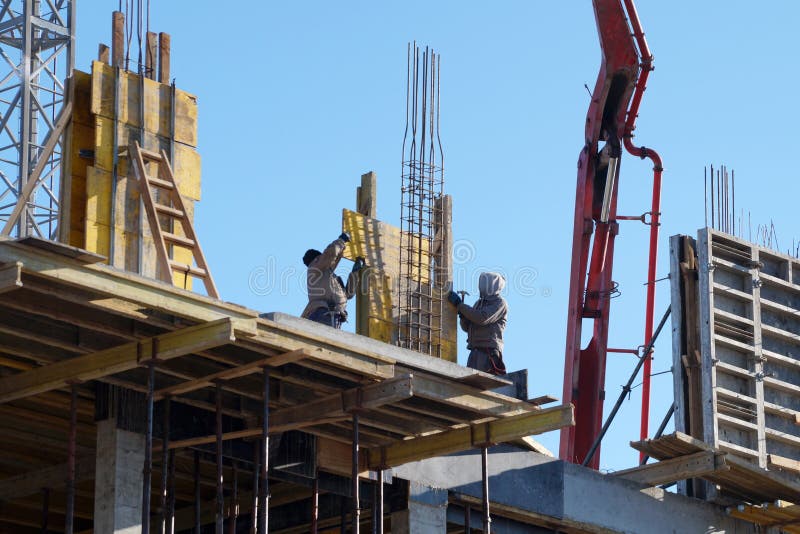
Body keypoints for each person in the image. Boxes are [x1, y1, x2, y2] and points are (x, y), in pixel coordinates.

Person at [447, 272, 508, 375]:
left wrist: (460, 306)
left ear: (492, 284)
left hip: (488, 352)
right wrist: (463, 315)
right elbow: (467, 327)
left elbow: (482, 318)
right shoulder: (479, 304)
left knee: (481, 382)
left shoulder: (499, 303)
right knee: (471, 383)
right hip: (475, 351)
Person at [301, 232, 365, 328]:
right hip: (323, 313)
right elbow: (330, 254)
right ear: (316, 259)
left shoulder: (327, 278)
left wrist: (355, 271)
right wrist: (341, 240)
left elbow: (347, 295)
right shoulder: (315, 268)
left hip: (333, 316)